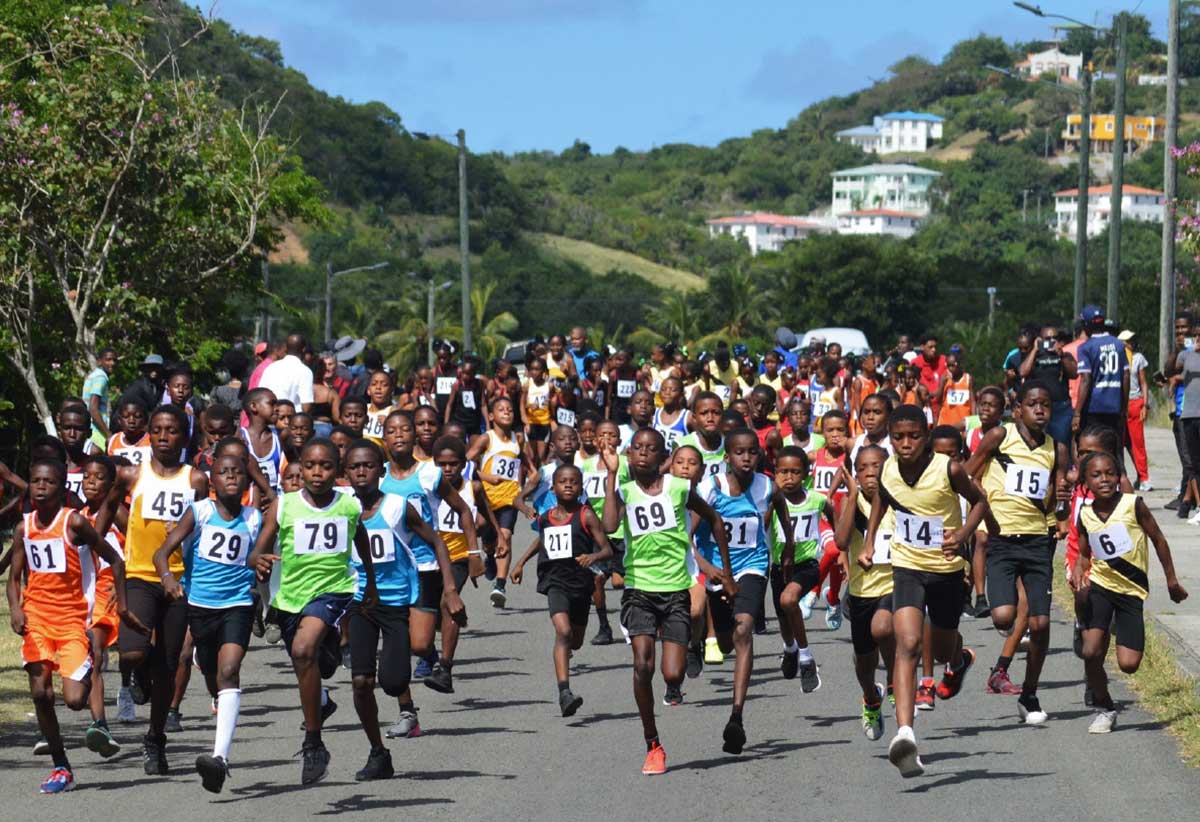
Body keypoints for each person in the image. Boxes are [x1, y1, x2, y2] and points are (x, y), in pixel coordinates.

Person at [860, 405, 988, 778]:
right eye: (897, 436)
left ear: (927, 435)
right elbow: (882, 500)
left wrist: (962, 535)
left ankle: (959, 658)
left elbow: (980, 502)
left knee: (944, 645)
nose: (904, 443)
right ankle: (905, 734)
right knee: (909, 644)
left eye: (913, 436)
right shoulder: (887, 468)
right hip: (908, 566)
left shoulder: (947, 469)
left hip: (946, 570)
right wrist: (869, 543)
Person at [599, 428, 733, 775]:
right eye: (637, 448)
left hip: (676, 590)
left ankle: (690, 652)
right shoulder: (624, 491)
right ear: (629, 455)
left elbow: (715, 520)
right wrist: (612, 473)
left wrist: (727, 571)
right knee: (643, 665)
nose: (643, 453)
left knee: (671, 673)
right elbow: (610, 524)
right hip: (638, 589)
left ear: (664, 459)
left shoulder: (679, 487)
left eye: (651, 449)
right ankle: (652, 743)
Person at [247, 438, 378, 785]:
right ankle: (328, 650)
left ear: (338, 470)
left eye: (326, 466)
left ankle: (313, 743)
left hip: (334, 589)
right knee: (304, 657)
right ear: (299, 468)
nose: (317, 473)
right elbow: (257, 550)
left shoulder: (348, 503)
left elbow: (360, 536)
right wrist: (257, 561)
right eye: (310, 466)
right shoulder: (284, 505)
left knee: (303, 650)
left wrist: (371, 579)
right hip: (290, 597)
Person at [7, 459, 138, 794]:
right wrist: (15, 609)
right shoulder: (24, 527)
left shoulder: (75, 522)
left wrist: (121, 603)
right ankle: (61, 766)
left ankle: (89, 668)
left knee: (75, 699)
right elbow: (14, 578)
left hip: (71, 619)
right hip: (36, 616)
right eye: (35, 480)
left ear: (63, 487)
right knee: (40, 693)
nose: (39, 487)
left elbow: (115, 558)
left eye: (48, 482)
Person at [94, 404, 208, 777]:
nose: (163, 437)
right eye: (157, 429)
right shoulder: (129, 475)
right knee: (131, 654)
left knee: (169, 664)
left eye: (171, 430)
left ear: (183, 435)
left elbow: (206, 527)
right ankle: (138, 676)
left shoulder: (196, 480)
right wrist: (103, 554)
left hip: (179, 581)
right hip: (139, 576)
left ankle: (155, 738)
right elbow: (106, 511)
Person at [342, 439, 464, 780]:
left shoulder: (396, 506)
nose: (361, 471)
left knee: (393, 681)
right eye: (354, 467)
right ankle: (378, 752)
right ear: (346, 473)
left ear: (381, 472)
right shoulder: (343, 507)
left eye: (368, 466)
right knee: (361, 682)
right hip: (360, 603)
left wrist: (451, 589)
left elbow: (436, 540)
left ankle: (405, 699)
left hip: (397, 603)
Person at [151, 450, 262, 793]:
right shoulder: (199, 512)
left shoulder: (255, 519)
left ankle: (219, 760)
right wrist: (168, 578)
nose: (231, 477)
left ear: (246, 481)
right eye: (223, 472)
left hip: (238, 606)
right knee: (214, 676)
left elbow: (263, 561)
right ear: (211, 481)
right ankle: (211, 677)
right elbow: (161, 552)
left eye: (238, 473)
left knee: (229, 672)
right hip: (199, 607)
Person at [966, 381, 1067, 726]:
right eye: (1033, 404)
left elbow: (1052, 499)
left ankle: (1030, 692)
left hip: (1038, 539)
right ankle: (1003, 668)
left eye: (1046, 405)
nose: (1040, 410)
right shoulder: (999, 436)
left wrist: (1059, 500)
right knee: (1004, 617)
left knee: (1040, 623)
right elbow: (968, 474)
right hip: (1002, 539)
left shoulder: (1056, 448)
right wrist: (984, 509)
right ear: (1018, 408)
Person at [1072, 450, 1188, 733]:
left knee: (1129, 665)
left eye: (1110, 473)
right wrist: (1078, 570)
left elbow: (1158, 540)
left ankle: (1110, 628)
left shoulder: (1133, 504)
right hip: (1100, 587)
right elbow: (1085, 555)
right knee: (1091, 652)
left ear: (1120, 476)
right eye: (1096, 475)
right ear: (1086, 482)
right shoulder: (1085, 514)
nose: (1104, 479)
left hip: (1132, 593)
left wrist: (1171, 581)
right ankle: (1105, 708)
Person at [692, 429, 793, 754]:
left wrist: (788, 543)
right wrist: (705, 567)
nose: (746, 458)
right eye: (739, 452)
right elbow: (686, 534)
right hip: (716, 571)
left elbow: (780, 506)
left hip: (752, 566)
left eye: (752, 452)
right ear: (727, 457)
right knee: (724, 641)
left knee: (744, 629)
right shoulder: (711, 488)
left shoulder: (767, 486)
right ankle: (699, 641)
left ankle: (736, 716)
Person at [510, 464, 613, 716]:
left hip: (581, 584)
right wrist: (520, 562)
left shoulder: (586, 515)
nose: (568, 485)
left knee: (574, 641)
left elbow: (607, 549)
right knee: (563, 631)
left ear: (580, 488)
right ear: (553, 488)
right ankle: (564, 692)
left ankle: (567, 656)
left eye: (574, 482)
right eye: (562, 481)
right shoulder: (546, 518)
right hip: (555, 582)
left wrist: (592, 556)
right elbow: (541, 539)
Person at [835, 444, 896, 741]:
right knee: (864, 661)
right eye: (863, 468)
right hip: (861, 590)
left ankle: (896, 681)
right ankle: (871, 697)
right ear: (855, 474)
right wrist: (851, 497)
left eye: (877, 466)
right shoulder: (853, 502)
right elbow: (842, 541)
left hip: (896, 584)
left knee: (884, 628)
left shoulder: (899, 499)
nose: (870, 472)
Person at [768, 446, 832, 694]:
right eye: (783, 472)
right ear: (775, 473)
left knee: (788, 599)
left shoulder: (816, 499)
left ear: (806, 473)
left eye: (795, 472)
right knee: (784, 620)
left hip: (806, 565)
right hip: (778, 568)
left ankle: (807, 659)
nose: (789, 477)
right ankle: (790, 649)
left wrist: (840, 548)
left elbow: (832, 515)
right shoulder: (773, 500)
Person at [468, 397, 522, 591]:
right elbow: (464, 465)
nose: (506, 412)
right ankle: (489, 556)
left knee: (505, 536)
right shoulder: (487, 438)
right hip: (487, 500)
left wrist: (524, 483)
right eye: (501, 409)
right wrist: (486, 477)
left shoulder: (518, 438)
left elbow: (522, 462)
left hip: (510, 498)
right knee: (488, 536)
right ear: (491, 416)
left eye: (510, 409)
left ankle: (500, 585)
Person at [1074, 306, 1128, 442]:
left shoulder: (1086, 348)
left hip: (1094, 407)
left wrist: (1077, 413)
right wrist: (1124, 406)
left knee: (1093, 443)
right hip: (1114, 405)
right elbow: (1126, 376)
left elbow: (1086, 380)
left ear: (1086, 325)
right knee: (1112, 444)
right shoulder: (1119, 345)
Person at [1119, 330, 1151, 491]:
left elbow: (1143, 382)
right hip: (1119, 404)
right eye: (1127, 340)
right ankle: (1123, 476)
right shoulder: (1117, 357)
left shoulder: (1138, 358)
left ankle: (1144, 477)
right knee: (1122, 443)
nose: (1130, 343)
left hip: (1134, 402)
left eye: (1131, 340)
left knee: (1138, 442)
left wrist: (1145, 405)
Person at [259, 334, 315, 414]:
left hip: (270, 418)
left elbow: (260, 395)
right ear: (304, 349)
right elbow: (306, 406)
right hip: (290, 421)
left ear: (286, 348)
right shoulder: (305, 371)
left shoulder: (271, 367)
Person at [82, 347, 117, 447]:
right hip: (97, 432)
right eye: (108, 359)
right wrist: (108, 434)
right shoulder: (101, 378)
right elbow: (93, 408)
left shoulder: (93, 375)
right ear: (99, 361)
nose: (112, 363)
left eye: (114, 360)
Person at [119, 355, 167, 423]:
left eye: (157, 368)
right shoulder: (137, 387)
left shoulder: (160, 388)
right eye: (151, 368)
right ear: (145, 369)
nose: (154, 371)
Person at [912, 336, 948, 418]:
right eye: (930, 347)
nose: (934, 350)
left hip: (942, 410)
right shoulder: (915, 363)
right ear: (922, 347)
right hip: (923, 410)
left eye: (935, 347)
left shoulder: (944, 361)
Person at [936, 353, 973, 430]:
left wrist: (973, 421)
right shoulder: (945, 379)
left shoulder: (967, 379)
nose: (950, 369)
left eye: (953, 365)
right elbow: (938, 400)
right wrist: (942, 384)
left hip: (963, 423)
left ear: (959, 364)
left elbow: (972, 402)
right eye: (948, 366)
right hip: (946, 421)